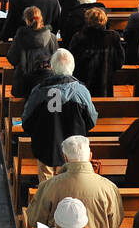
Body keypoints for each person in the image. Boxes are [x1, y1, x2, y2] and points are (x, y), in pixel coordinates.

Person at [25, 136, 123, 228]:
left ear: (65, 158)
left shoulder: (48, 186)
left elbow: (35, 220)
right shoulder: (109, 187)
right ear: (90, 156)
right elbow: (114, 225)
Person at [22, 49, 98, 185]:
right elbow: (91, 120)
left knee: (46, 185)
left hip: (46, 146)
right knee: (69, 185)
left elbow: (27, 120)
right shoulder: (81, 92)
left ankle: (48, 204)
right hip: (74, 150)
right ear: (72, 67)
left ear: (52, 67)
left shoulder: (39, 91)